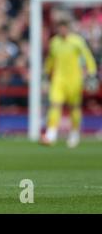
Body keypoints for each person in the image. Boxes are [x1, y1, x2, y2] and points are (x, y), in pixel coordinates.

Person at [40, 14, 98, 148]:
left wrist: (91, 73)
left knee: (74, 108)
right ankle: (51, 134)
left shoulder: (77, 41)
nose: (62, 31)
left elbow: (88, 57)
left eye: (64, 28)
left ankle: (75, 133)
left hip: (74, 79)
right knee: (54, 105)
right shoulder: (54, 42)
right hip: (58, 79)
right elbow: (50, 60)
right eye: (60, 28)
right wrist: (45, 74)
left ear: (68, 28)